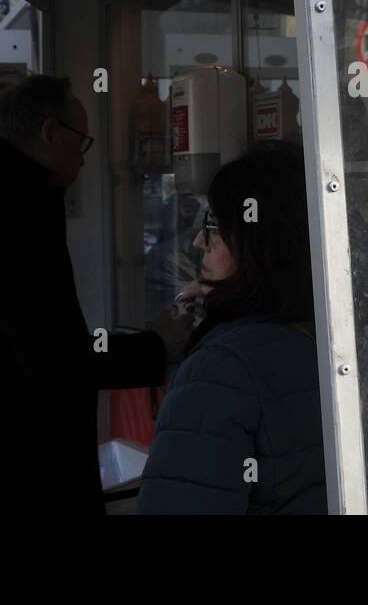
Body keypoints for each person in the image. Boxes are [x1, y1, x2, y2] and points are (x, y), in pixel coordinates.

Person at [0, 75, 168, 514]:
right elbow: (55, 360)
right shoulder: (11, 208)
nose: (84, 160)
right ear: (50, 133)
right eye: (81, 142)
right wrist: (161, 345)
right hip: (14, 479)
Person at [137, 143, 327, 514]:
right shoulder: (331, 339)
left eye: (213, 226)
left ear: (258, 242)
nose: (197, 242)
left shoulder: (220, 369)